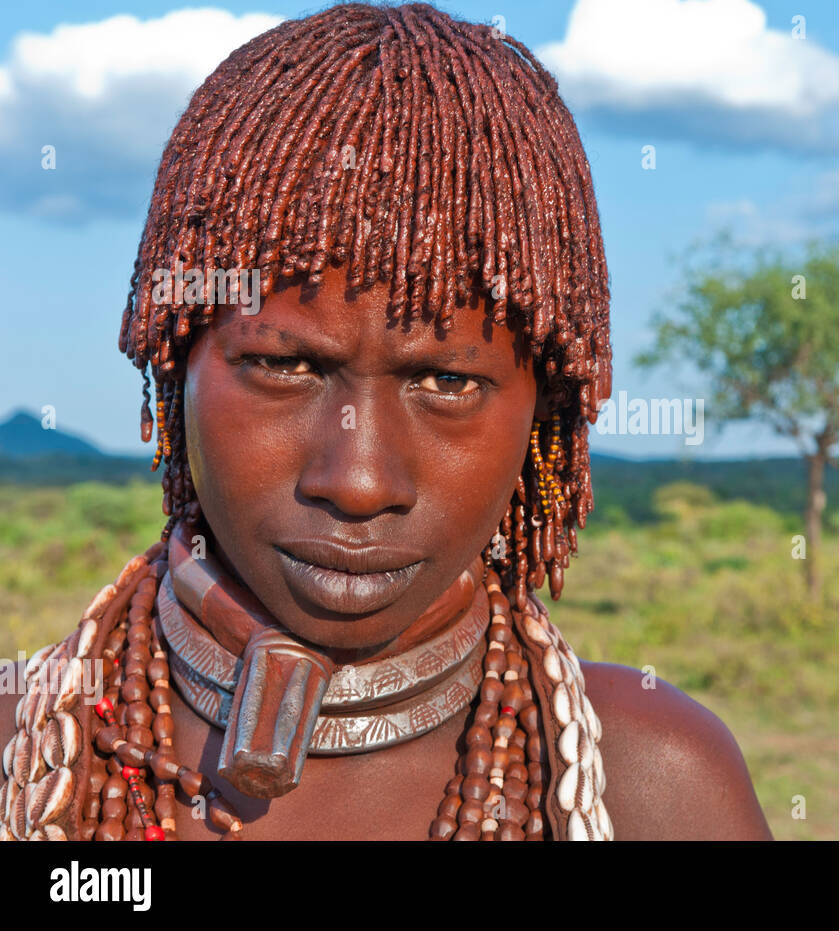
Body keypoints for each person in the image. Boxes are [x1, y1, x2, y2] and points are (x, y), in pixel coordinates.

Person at [0, 1, 771, 841]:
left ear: (545, 415)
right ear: (173, 360)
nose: (358, 481)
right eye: (285, 366)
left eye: (447, 381)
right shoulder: (25, 753)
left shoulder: (652, 785)